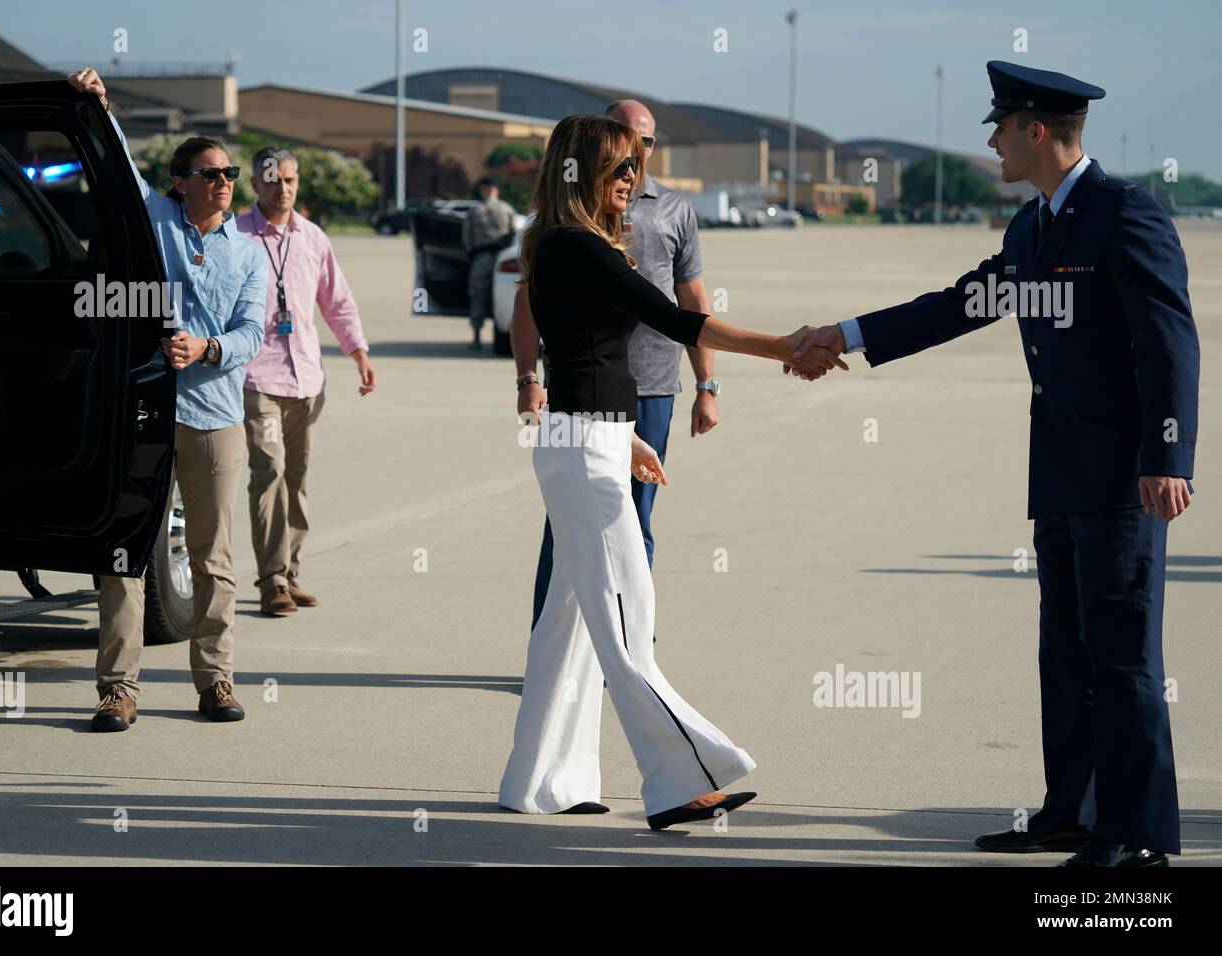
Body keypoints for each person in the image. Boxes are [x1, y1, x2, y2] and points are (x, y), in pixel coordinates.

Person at [793, 61, 1199, 866]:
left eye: (1001, 126)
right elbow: (962, 303)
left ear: (1036, 131)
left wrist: (1169, 454)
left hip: (1124, 476)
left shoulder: (1125, 214)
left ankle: (1138, 838)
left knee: (1123, 655)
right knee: (1065, 648)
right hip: (1057, 470)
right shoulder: (1032, 227)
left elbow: (1169, 343)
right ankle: (1073, 811)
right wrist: (847, 333)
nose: (992, 140)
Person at [498, 113, 844, 829]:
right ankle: (682, 780)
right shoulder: (584, 251)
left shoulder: (562, 246)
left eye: (637, 167)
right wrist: (783, 344)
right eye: (618, 168)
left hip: (583, 441)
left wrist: (622, 439)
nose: (633, 180)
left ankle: (541, 781)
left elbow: (581, 360)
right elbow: (681, 321)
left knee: (566, 627)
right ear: (581, 174)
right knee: (628, 621)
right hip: (582, 452)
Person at [67, 67, 268, 730]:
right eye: (209, 173)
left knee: (212, 558)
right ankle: (118, 689)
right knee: (125, 551)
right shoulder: (156, 221)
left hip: (213, 416)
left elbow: (252, 331)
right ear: (180, 182)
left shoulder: (248, 253)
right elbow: (120, 169)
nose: (223, 182)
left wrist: (205, 349)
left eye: (229, 173)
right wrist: (101, 105)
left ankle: (215, 682)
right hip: (144, 412)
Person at [515, 100, 717, 636]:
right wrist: (527, 376)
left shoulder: (669, 210)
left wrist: (705, 384)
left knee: (628, 531)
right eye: (620, 154)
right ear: (587, 161)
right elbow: (674, 318)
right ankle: (625, 651)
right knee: (580, 548)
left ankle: (610, 648)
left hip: (631, 401)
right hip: (588, 415)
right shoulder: (573, 236)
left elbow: (691, 300)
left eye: (641, 150)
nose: (632, 168)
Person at [238, 146, 376, 616]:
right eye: (273, 180)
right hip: (256, 379)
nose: (283, 189)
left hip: (306, 379)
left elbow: (336, 301)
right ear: (255, 185)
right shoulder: (235, 237)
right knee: (270, 472)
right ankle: (271, 580)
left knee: (296, 480)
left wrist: (358, 351)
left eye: (291, 181)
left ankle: (291, 573)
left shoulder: (313, 238)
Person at [462, 178, 517, 350]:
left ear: (483, 191)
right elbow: (514, 233)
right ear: (496, 190)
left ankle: (477, 336)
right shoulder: (507, 209)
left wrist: (471, 254)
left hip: (482, 257)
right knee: (504, 297)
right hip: (504, 258)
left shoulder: (474, 211)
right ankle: (507, 334)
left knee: (478, 295)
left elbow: (466, 238)